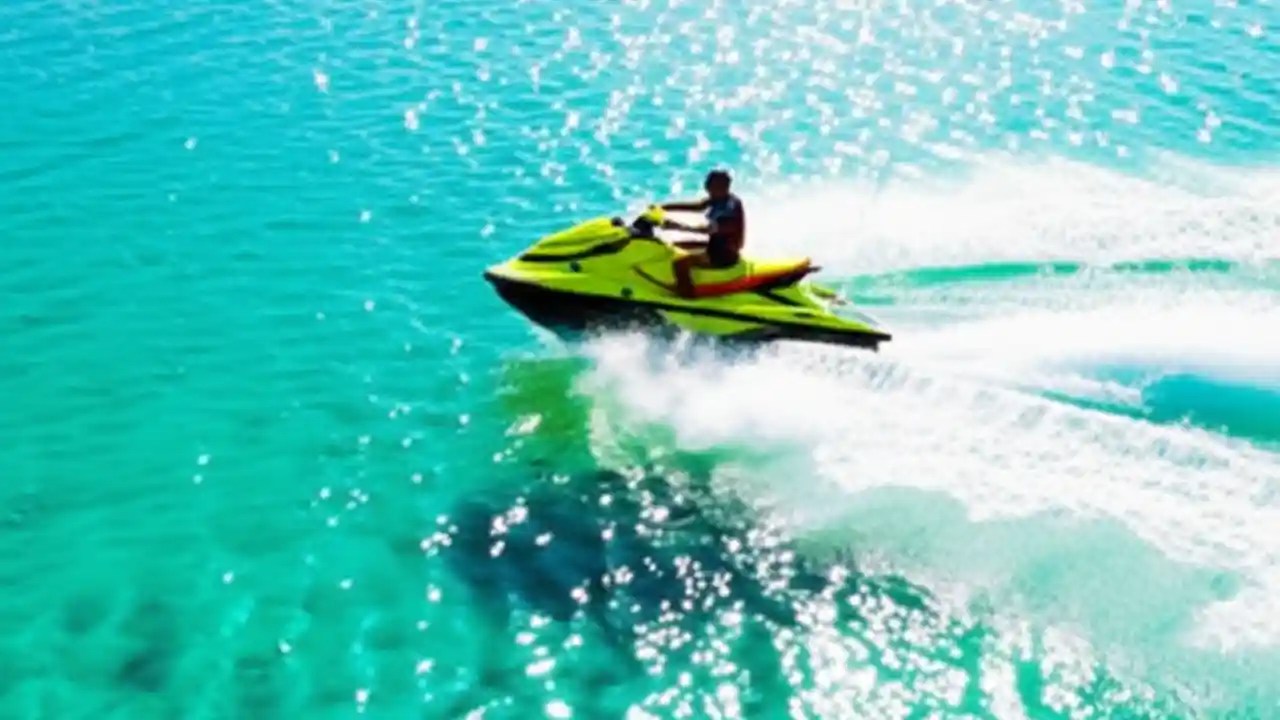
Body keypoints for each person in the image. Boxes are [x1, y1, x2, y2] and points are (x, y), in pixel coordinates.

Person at [659, 169, 746, 298]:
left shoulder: (730, 208)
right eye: (707, 185)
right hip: (716, 245)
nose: (707, 189)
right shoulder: (718, 198)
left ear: (722, 187)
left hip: (723, 255)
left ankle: (686, 294)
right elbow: (697, 206)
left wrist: (678, 227)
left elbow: (708, 229)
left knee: (680, 263)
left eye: (710, 186)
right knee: (675, 246)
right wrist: (664, 207)